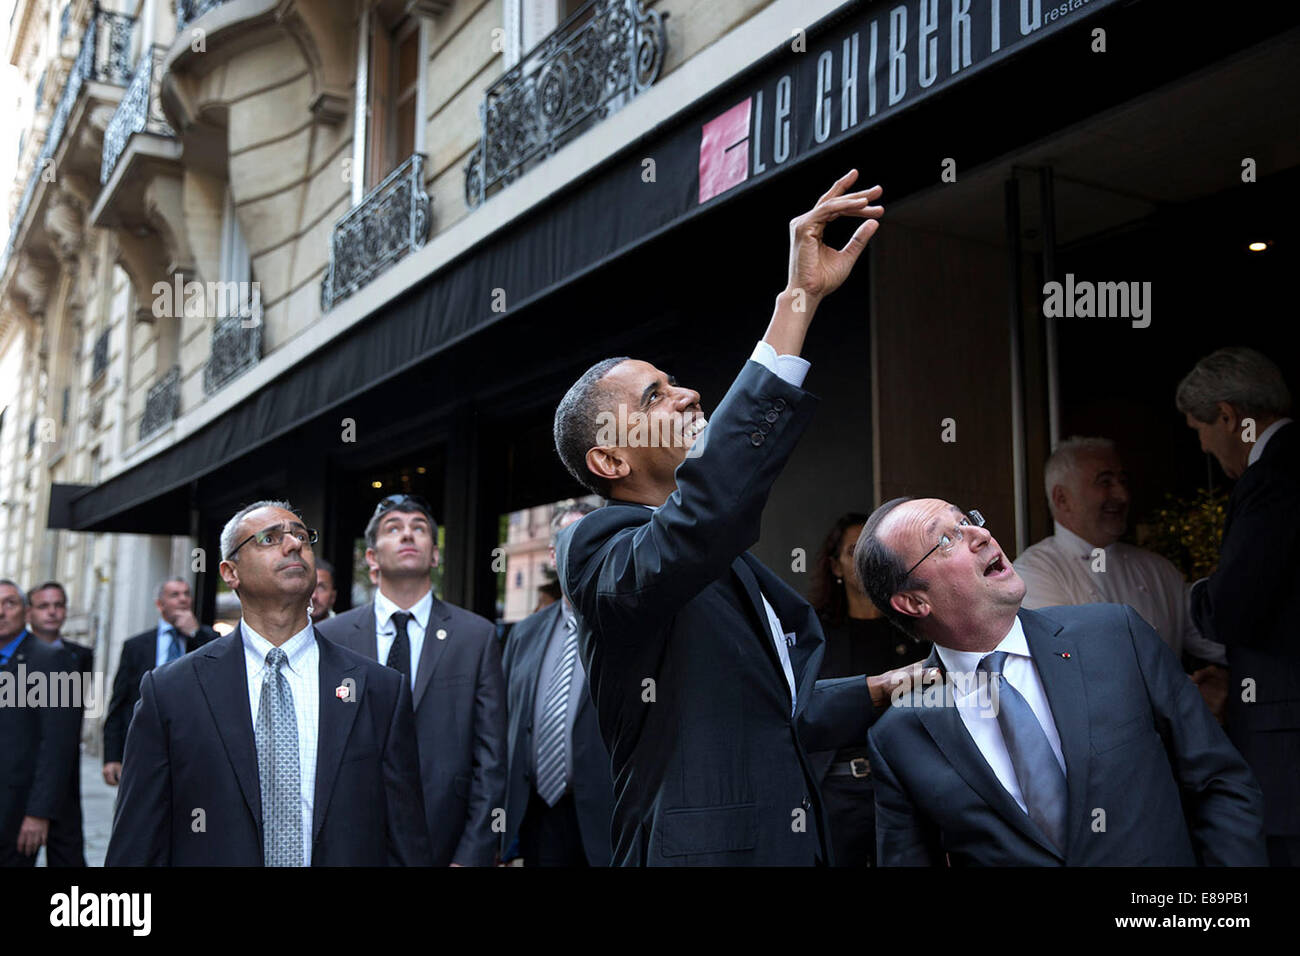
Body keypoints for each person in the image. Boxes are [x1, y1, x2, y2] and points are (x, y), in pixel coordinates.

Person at [554, 171, 910, 866]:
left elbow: (784, 714)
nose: (687, 393)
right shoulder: (596, 549)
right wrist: (798, 299)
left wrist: (895, 685)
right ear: (609, 462)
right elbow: (707, 511)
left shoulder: (722, 560)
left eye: (674, 380)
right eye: (654, 397)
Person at [856, 497, 1267, 866]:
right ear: (913, 601)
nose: (979, 535)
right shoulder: (900, 735)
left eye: (967, 520)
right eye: (945, 540)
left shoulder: (1116, 636)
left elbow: (1220, 783)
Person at [105, 501, 431, 866]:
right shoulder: (170, 691)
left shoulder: (380, 689)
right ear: (230, 572)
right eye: (269, 538)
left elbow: (407, 840)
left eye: (302, 538)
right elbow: (137, 843)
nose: (293, 545)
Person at [317, 495, 506, 867]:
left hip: (444, 842)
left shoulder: (476, 636)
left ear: (435, 555)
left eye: (419, 528)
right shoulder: (330, 636)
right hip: (348, 843)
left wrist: (471, 855)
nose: (407, 535)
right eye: (394, 528)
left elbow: (492, 757)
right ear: (371, 557)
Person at [1177, 346, 1299, 866]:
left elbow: (1234, 608)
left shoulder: (1271, 475)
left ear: (1228, 416)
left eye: (1202, 433)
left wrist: (1199, 591)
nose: (1207, 450)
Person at [1014, 437, 1228, 715]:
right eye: (1105, 482)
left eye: (1123, 481)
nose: (1122, 495)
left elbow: (1216, 640)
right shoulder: (1034, 571)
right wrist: (1183, 693)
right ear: (1062, 499)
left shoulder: (1158, 570)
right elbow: (1077, 666)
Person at [807, 513, 928, 867]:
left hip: (905, 781)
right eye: (853, 551)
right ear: (836, 567)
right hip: (835, 788)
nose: (863, 560)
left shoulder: (917, 627)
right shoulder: (812, 635)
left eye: (873, 550)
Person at [501, 500, 613, 866]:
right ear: (552, 554)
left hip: (606, 819)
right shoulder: (524, 633)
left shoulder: (626, 628)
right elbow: (505, 719)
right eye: (569, 541)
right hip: (536, 815)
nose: (580, 552)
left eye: (591, 541)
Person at [102, 577, 217, 786]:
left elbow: (219, 674)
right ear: (159, 604)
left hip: (193, 744)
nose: (183, 599)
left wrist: (195, 633)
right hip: (146, 744)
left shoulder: (208, 639)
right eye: (175, 595)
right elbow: (119, 702)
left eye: (186, 594)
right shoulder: (136, 646)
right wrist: (112, 756)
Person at [0, 580, 79, 867]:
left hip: (17, 812)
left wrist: (38, 812)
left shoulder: (52, 660)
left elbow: (59, 745)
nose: (1, 612)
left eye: (9, 603)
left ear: (25, 612)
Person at [25, 581, 92, 866]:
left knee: (68, 853)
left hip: (63, 771)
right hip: (20, 772)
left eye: (58, 605)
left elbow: (81, 710)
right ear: (29, 613)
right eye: (44, 606)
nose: (52, 612)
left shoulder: (81, 655)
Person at [311, 558, 338, 624]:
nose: (314, 596)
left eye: (321, 588)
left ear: (333, 596)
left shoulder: (344, 631)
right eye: (309, 587)